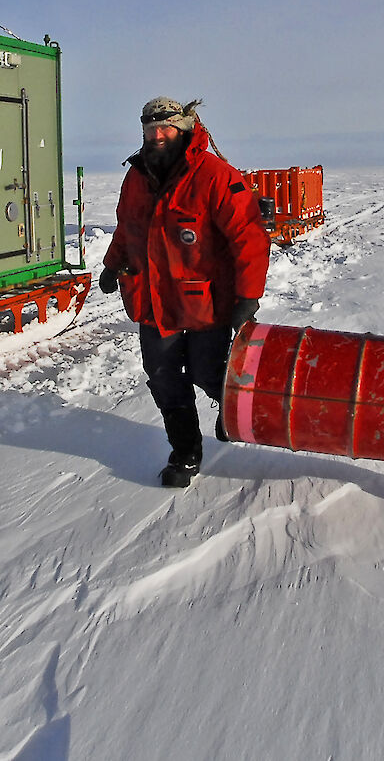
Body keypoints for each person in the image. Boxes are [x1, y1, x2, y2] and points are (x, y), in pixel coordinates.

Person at [99, 97, 270, 487]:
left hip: (204, 303)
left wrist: (248, 295)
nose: (157, 137)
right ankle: (185, 452)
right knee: (163, 378)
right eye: (150, 130)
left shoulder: (216, 175)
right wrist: (112, 263)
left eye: (165, 129)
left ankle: (232, 414)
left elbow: (249, 238)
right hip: (153, 302)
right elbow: (127, 226)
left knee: (210, 372)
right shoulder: (137, 176)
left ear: (184, 129)